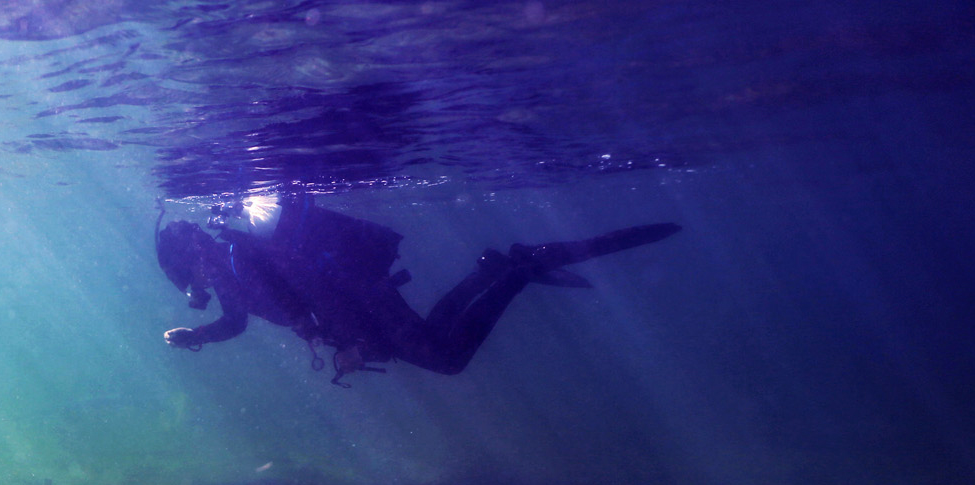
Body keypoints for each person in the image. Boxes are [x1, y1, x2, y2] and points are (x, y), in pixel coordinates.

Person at [157, 192, 679, 382]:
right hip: (356, 305)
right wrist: (196, 335)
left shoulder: (234, 260)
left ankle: (517, 270)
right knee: (432, 340)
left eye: (190, 278)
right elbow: (236, 320)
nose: (198, 286)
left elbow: (312, 290)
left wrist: (360, 343)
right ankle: (491, 269)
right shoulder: (229, 268)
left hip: (359, 300)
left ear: (192, 262)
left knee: (446, 359)